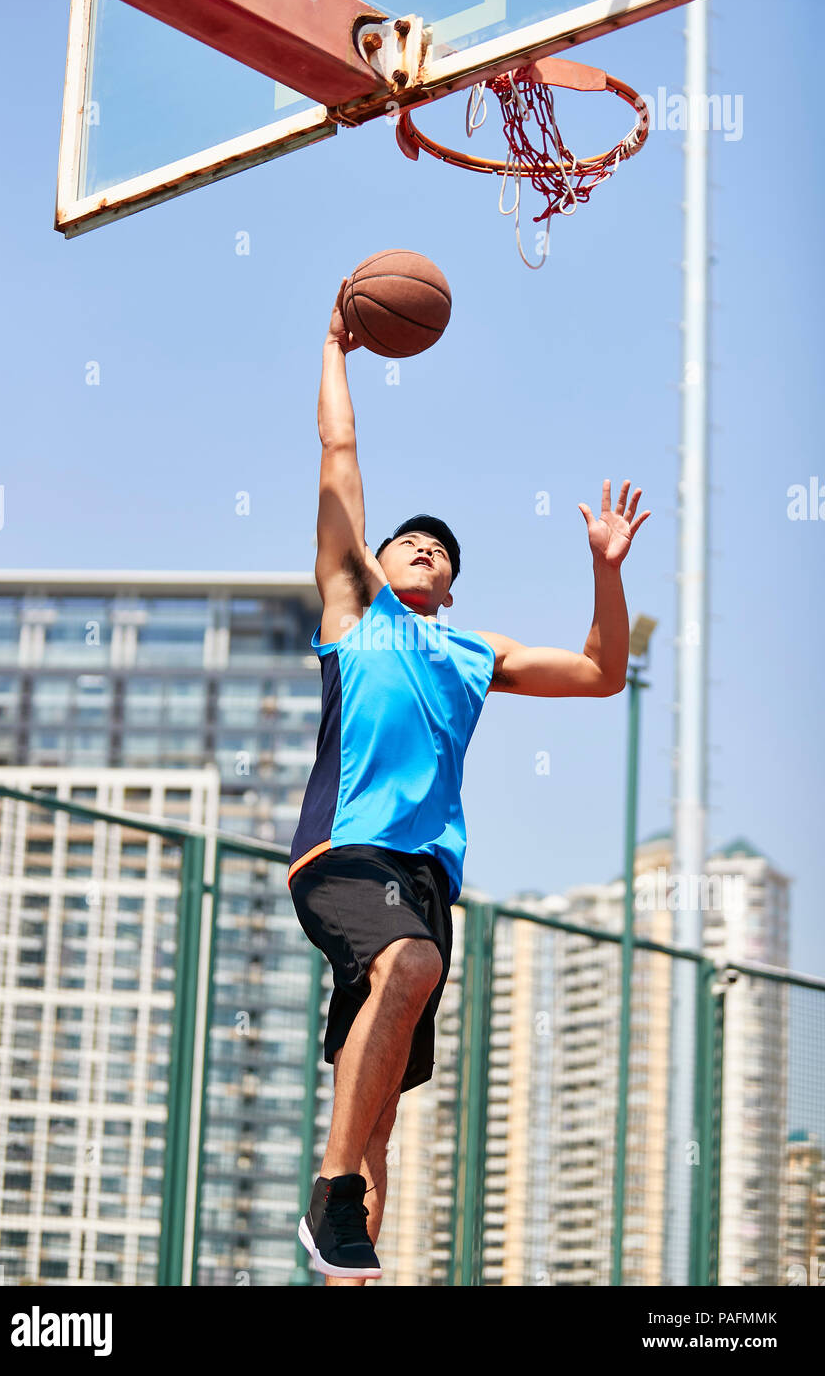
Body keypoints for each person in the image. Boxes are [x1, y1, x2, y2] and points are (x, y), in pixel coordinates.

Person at [289, 280, 651, 1286]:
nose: (420, 547)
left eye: (437, 550)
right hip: (341, 855)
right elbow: (338, 459)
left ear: (451, 584)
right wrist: (335, 346)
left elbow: (599, 673)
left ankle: (350, 1261)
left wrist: (605, 569)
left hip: (422, 877)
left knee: (378, 1109)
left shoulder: (469, 647)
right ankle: (330, 1201)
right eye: (409, 538)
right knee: (408, 969)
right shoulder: (355, 606)